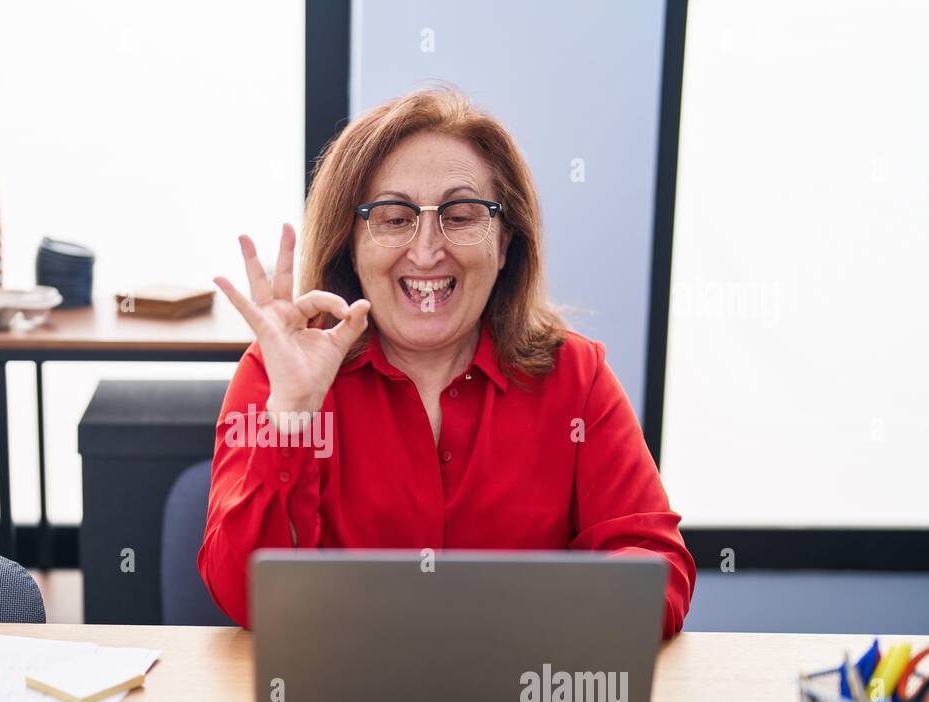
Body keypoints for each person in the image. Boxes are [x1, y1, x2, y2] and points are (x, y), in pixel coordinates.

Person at [199, 85, 695, 639]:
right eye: (393, 218)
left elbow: (659, 573)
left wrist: (524, 626)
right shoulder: (278, 371)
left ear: (505, 243)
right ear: (350, 246)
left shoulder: (575, 377)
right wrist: (290, 418)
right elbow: (242, 595)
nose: (428, 249)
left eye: (460, 216)